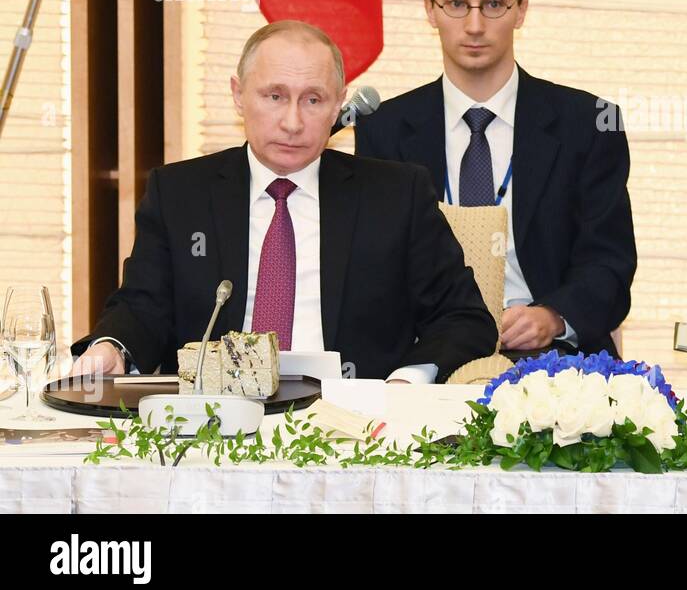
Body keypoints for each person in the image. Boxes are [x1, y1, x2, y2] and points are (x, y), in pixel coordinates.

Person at [71, 21, 497, 382]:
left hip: (352, 427)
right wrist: (112, 347)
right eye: (274, 96)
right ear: (239, 94)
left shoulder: (396, 196)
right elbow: (142, 306)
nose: (292, 122)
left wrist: (403, 384)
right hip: (215, 422)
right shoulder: (180, 193)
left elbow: (463, 319)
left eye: (313, 100)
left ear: (337, 107)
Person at [355, 0, 635, 357]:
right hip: (426, 356)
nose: (474, 25)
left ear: (521, 10)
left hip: (551, 359)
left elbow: (609, 265)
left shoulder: (589, 125)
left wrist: (553, 317)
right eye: (455, 4)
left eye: (494, 4)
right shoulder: (385, 128)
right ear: (430, 10)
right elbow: (375, 268)